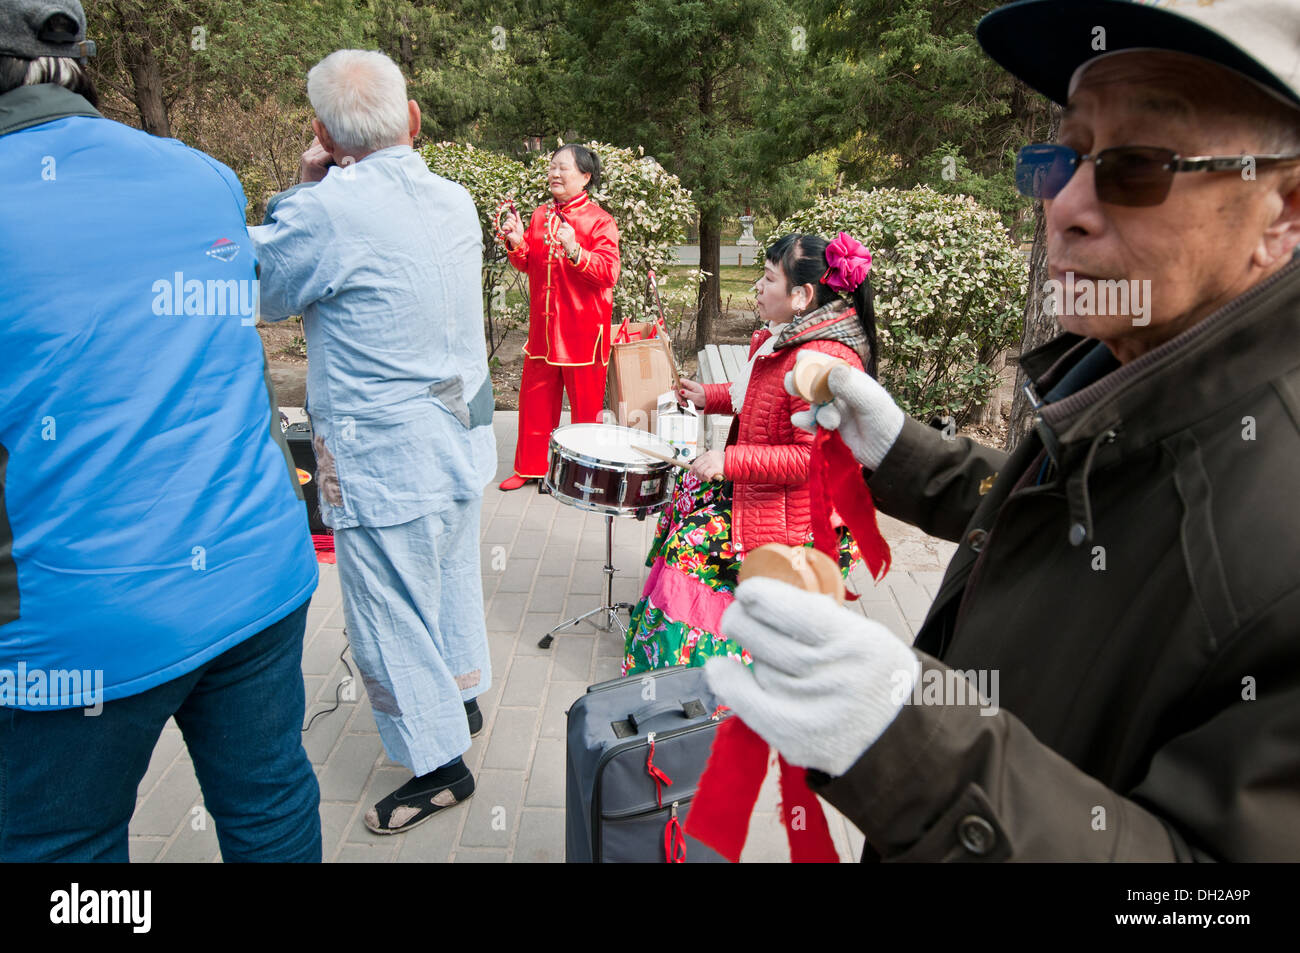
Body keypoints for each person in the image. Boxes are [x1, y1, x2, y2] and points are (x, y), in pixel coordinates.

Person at [704, 0, 1300, 861]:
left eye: (1136, 167)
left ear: (1283, 210)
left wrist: (919, 745)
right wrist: (905, 452)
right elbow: (1077, 526)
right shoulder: (1126, 365)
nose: (1066, 206)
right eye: (1063, 157)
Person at [0, 0, 320, 861]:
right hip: (255, 569)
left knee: (65, 844)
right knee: (271, 803)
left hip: (73, 620)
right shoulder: (198, 175)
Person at [248, 49, 497, 835]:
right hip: (461, 429)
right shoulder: (455, 197)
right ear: (413, 119)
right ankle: (460, 696)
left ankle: (438, 764)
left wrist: (304, 183)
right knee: (449, 570)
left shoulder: (325, 209)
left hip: (383, 448)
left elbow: (261, 288)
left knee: (387, 606)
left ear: (322, 132)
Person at [622, 233, 876, 675]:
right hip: (765, 493)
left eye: (768, 278)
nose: (757, 287)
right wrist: (707, 396)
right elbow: (757, 402)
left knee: (691, 547)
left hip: (798, 518)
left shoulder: (821, 363)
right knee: (686, 494)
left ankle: (700, 677)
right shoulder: (790, 338)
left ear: (803, 296)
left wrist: (729, 462)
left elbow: (811, 460)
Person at [498, 144, 621, 490]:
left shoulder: (600, 221)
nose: (554, 173)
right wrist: (517, 241)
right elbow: (528, 264)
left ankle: (586, 475)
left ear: (585, 177)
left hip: (583, 332)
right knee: (535, 402)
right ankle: (531, 467)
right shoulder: (540, 216)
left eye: (563, 168)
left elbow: (608, 273)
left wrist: (575, 250)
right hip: (544, 331)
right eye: (552, 167)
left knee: (585, 411)